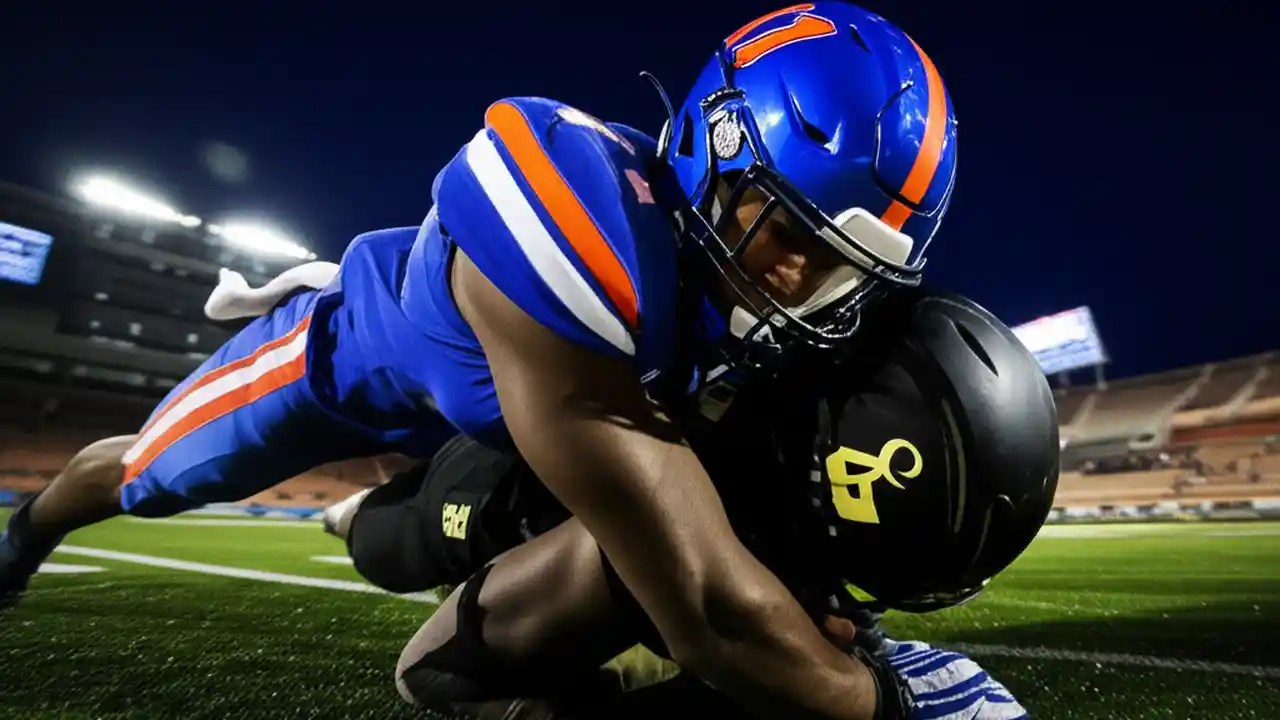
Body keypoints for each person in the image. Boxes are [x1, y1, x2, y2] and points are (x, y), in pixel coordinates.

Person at [2, 4, 959, 717]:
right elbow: (710, 609)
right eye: (785, 230)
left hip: (516, 413)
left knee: (474, 526)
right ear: (717, 150)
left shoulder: (725, 288)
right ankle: (26, 535)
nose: (796, 280)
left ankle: (368, 519)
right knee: (151, 474)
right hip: (343, 364)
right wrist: (895, 702)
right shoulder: (578, 235)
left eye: (839, 267)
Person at [323, 287, 1059, 719]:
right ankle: (347, 501)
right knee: (376, 533)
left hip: (575, 517)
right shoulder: (677, 489)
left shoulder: (780, 489)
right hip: (496, 494)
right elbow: (432, 673)